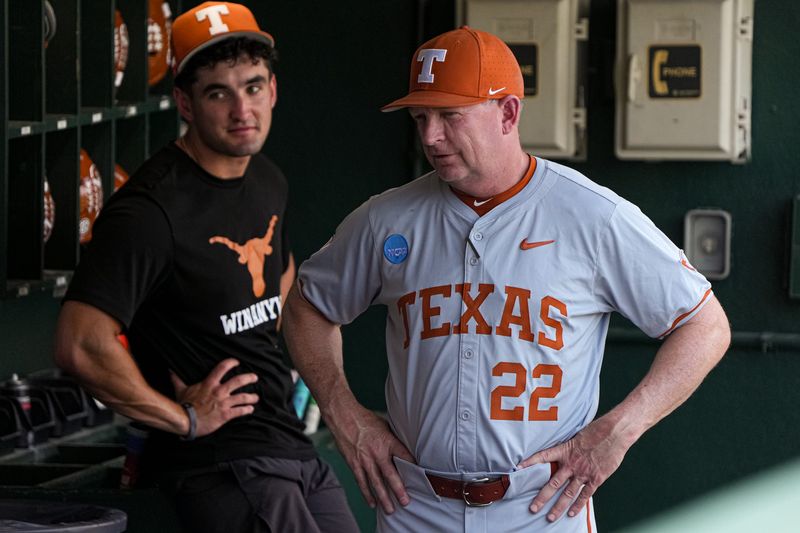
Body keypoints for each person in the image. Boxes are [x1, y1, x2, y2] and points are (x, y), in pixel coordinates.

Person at [282, 26, 731, 532]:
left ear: (509, 113)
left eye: (450, 116)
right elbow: (306, 308)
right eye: (420, 118)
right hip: (416, 506)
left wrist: (616, 432)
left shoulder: (593, 216)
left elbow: (705, 327)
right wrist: (346, 418)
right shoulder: (386, 220)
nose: (430, 136)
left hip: (541, 507)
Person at [53, 3, 358, 532]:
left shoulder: (267, 180)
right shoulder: (150, 212)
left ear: (274, 90)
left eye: (254, 86)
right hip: (219, 465)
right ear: (185, 104)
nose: (243, 108)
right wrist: (183, 418)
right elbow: (80, 343)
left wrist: (310, 382)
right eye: (219, 92)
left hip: (287, 443)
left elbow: (279, 288)